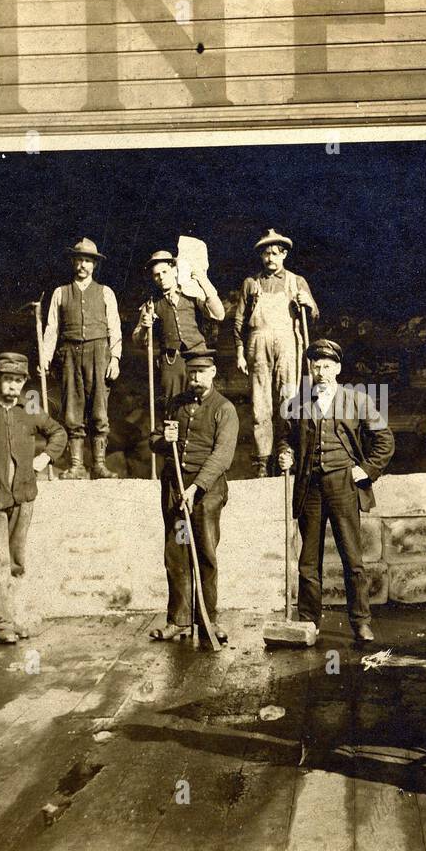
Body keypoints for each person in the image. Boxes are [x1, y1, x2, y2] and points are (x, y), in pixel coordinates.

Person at [276, 339, 394, 648]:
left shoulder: (359, 401)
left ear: (338, 369)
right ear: (310, 369)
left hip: (344, 486)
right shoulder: (297, 403)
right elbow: (285, 438)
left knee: (352, 558)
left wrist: (365, 470)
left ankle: (361, 623)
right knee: (308, 561)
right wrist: (285, 453)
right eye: (316, 366)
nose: (321, 372)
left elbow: (384, 440)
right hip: (310, 488)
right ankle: (309, 622)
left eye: (327, 366)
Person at [0, 352, 67, 645]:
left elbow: (58, 432)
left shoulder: (29, 408)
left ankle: (14, 617)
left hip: (22, 497)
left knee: (16, 561)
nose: (13, 386)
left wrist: (44, 458)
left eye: (18, 381)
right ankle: (2, 623)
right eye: (8, 380)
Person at [148, 350, 239, 644]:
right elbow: (153, 440)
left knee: (205, 553)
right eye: (191, 373)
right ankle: (178, 619)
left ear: (213, 373)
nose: (196, 378)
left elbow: (222, 455)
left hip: (207, 492)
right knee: (177, 553)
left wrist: (196, 487)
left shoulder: (224, 409)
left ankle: (208, 620)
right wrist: (165, 441)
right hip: (175, 487)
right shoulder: (175, 405)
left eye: (201, 372)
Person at [233, 228, 319, 476]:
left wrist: (308, 303)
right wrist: (239, 352)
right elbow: (239, 322)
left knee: (288, 401)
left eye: (274, 253)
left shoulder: (297, 281)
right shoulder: (251, 284)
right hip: (257, 343)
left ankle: (286, 455)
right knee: (260, 406)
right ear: (261, 257)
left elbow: (313, 316)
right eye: (265, 254)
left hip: (288, 343)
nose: (270, 258)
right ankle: (262, 462)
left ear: (284, 254)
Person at [39, 237, 122, 480]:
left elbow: (114, 328)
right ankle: (76, 465)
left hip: (99, 354)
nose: (83, 265)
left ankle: (98, 465)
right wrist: (46, 356)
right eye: (79, 259)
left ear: (94, 265)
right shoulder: (60, 293)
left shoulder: (106, 292)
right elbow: (52, 328)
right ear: (73, 262)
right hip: (69, 356)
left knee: (99, 411)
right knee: (73, 411)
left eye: (88, 260)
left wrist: (115, 358)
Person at [132, 249, 225, 411]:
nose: (161, 277)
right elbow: (137, 339)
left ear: (174, 270)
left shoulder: (192, 293)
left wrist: (203, 281)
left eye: (165, 272)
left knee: (201, 402)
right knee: (172, 405)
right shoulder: (152, 304)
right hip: (172, 361)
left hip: (198, 356)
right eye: (156, 274)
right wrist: (144, 328)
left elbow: (219, 314)